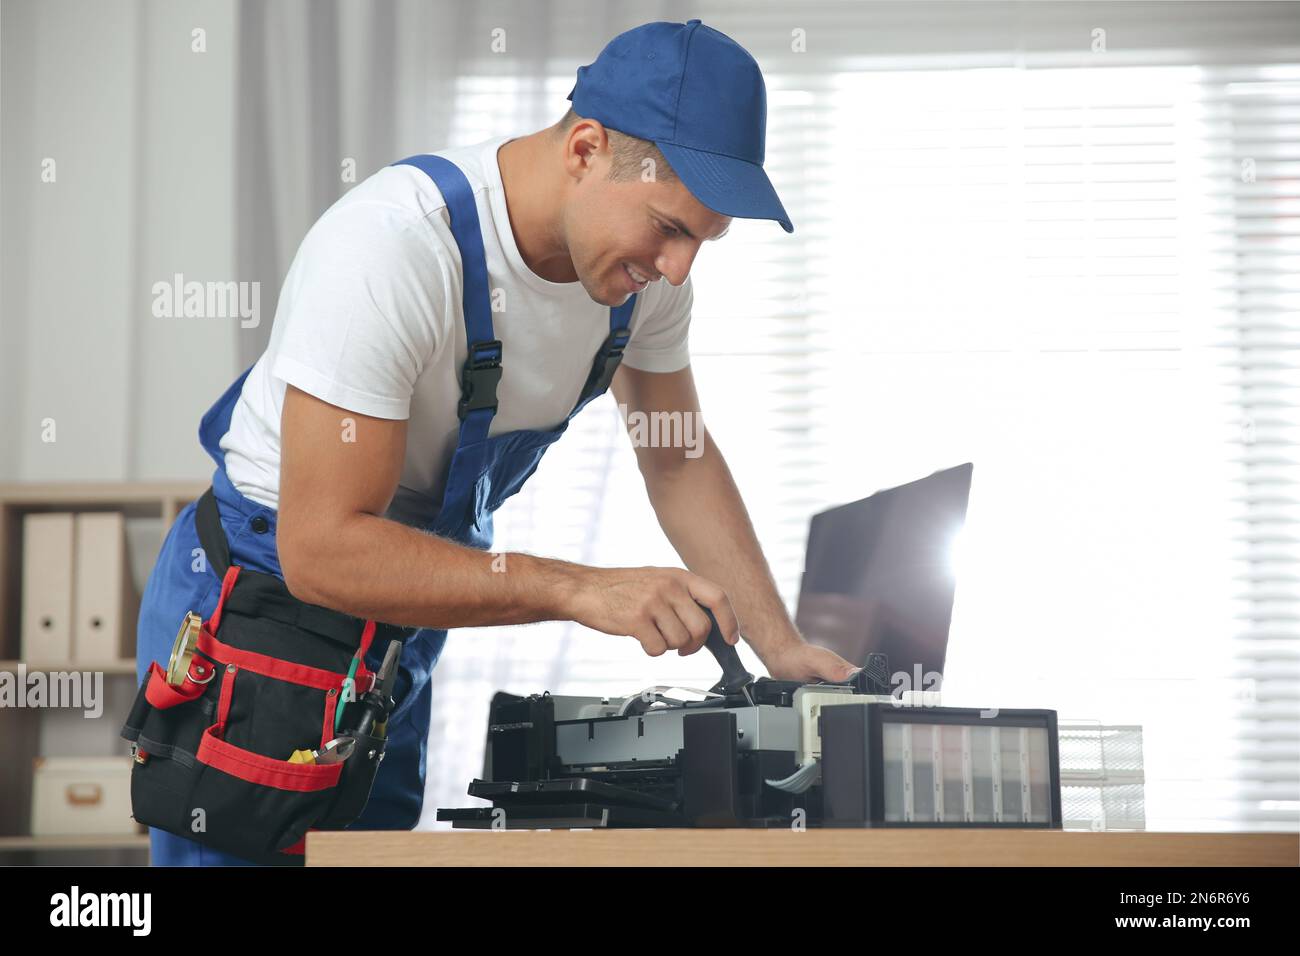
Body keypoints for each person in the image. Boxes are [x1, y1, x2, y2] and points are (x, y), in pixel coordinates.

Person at [135, 18, 857, 866]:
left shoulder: (644, 287)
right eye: (669, 227)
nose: (678, 268)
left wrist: (780, 650)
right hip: (264, 610)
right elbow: (322, 548)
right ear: (585, 149)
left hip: (399, 627)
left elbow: (677, 458)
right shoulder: (395, 248)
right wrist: (581, 590)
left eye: (702, 239)